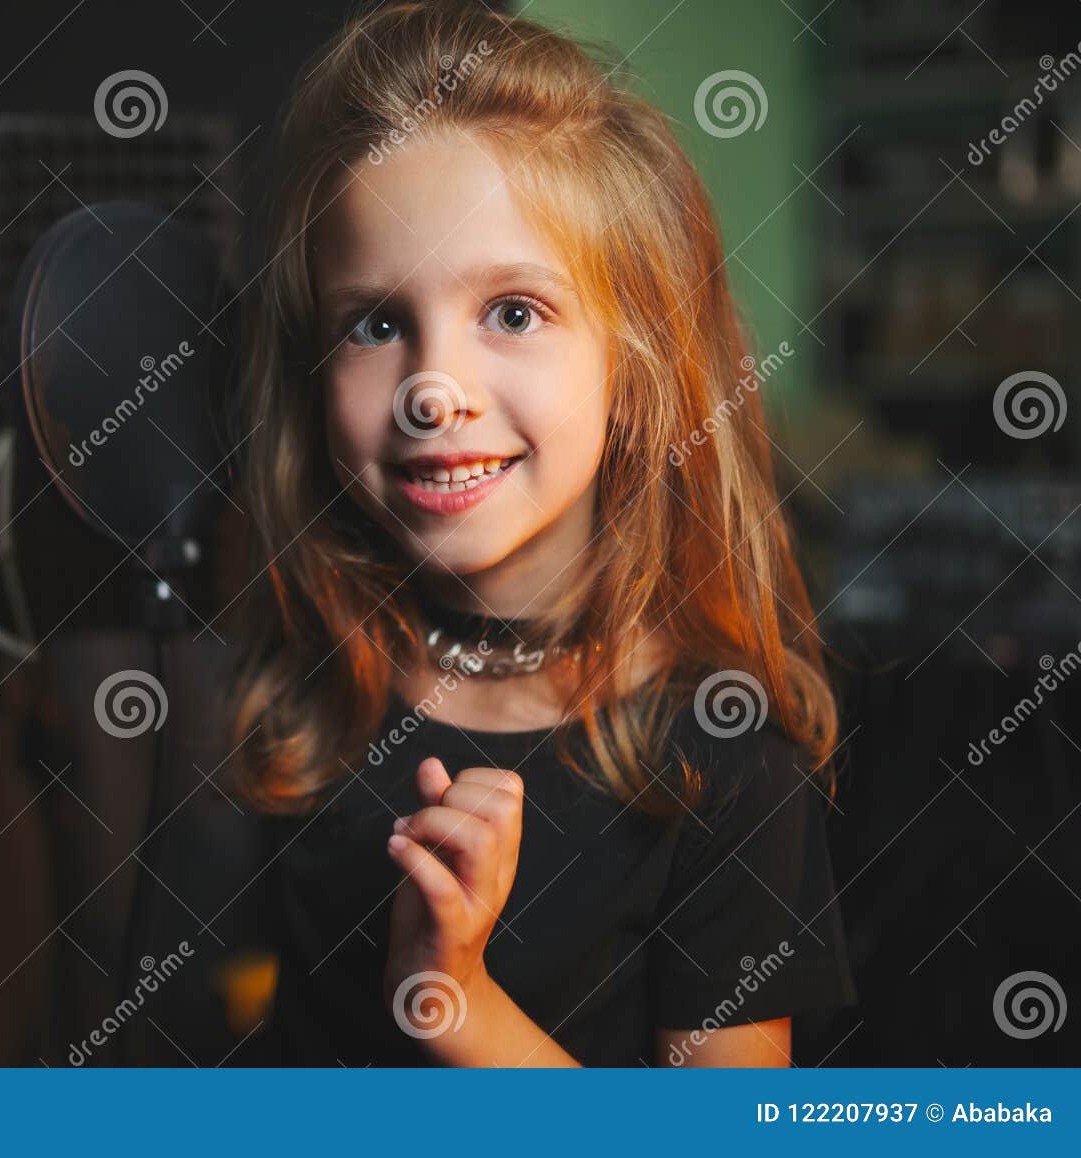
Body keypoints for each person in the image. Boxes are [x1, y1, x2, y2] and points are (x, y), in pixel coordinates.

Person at [216, 1, 858, 1066]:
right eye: (376, 322)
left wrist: (452, 1003)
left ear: (636, 367)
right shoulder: (305, 687)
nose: (432, 391)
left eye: (512, 312)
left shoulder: (720, 763)